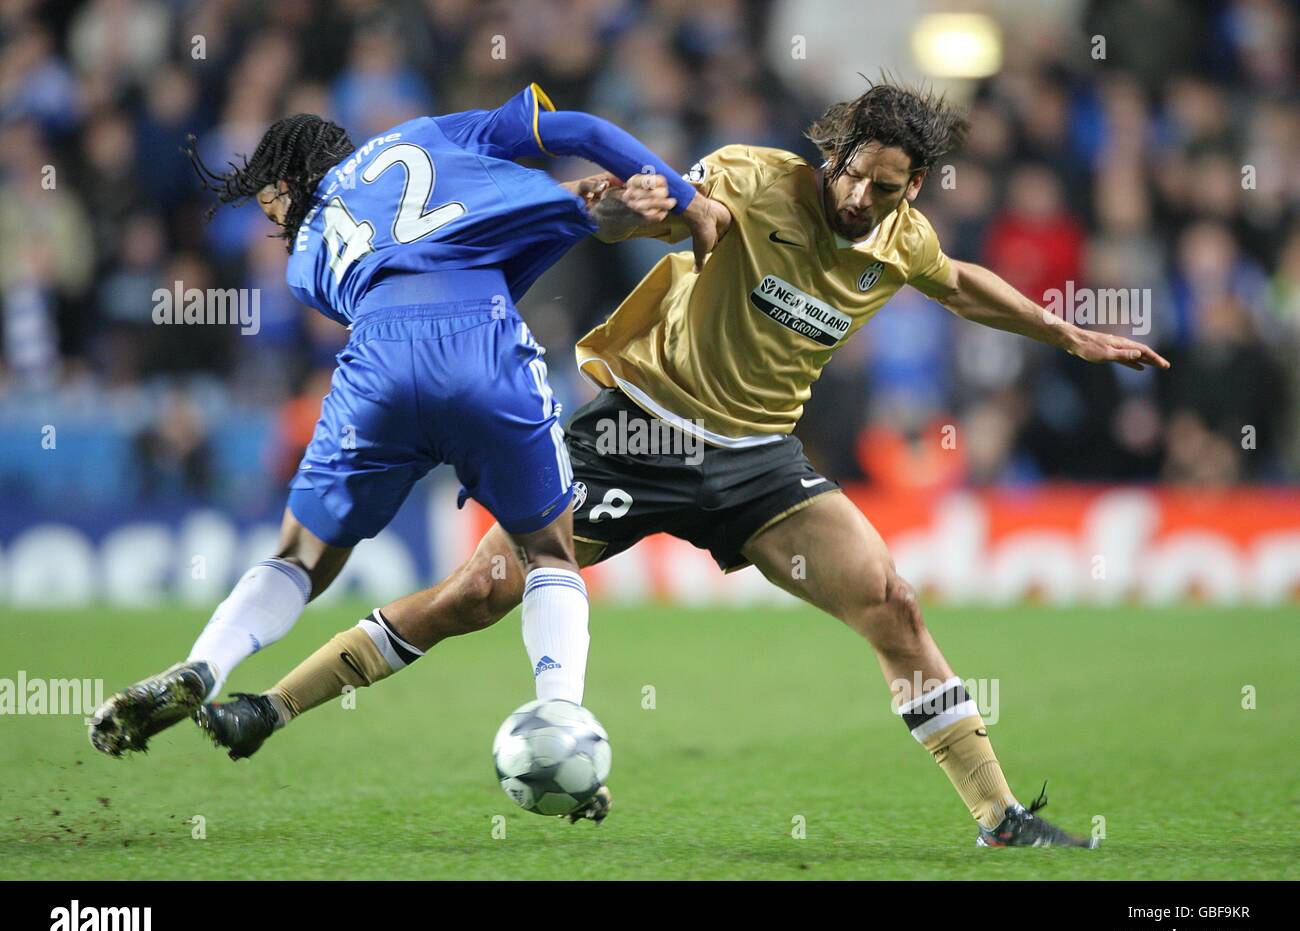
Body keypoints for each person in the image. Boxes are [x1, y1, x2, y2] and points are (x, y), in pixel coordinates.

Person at [196, 80, 1170, 845]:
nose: (859, 197)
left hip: (757, 464)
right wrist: (640, 209)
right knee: (471, 596)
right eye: (852, 174)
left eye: (886, 187)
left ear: (913, 188)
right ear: (828, 155)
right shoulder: (751, 178)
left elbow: (956, 282)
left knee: (894, 606)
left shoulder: (898, 240)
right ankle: (270, 706)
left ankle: (1000, 818)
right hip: (640, 431)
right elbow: (653, 209)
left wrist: (1065, 334)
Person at [89, 84, 727, 830]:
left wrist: (596, 209)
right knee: (549, 554)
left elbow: (408, 267)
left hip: (378, 365)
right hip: (478, 342)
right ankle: (559, 716)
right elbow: (576, 131)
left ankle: (205, 664)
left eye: (272, 211)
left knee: (299, 557)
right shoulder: (429, 134)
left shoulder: (305, 263)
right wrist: (674, 199)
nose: (276, 228)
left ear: (289, 185)